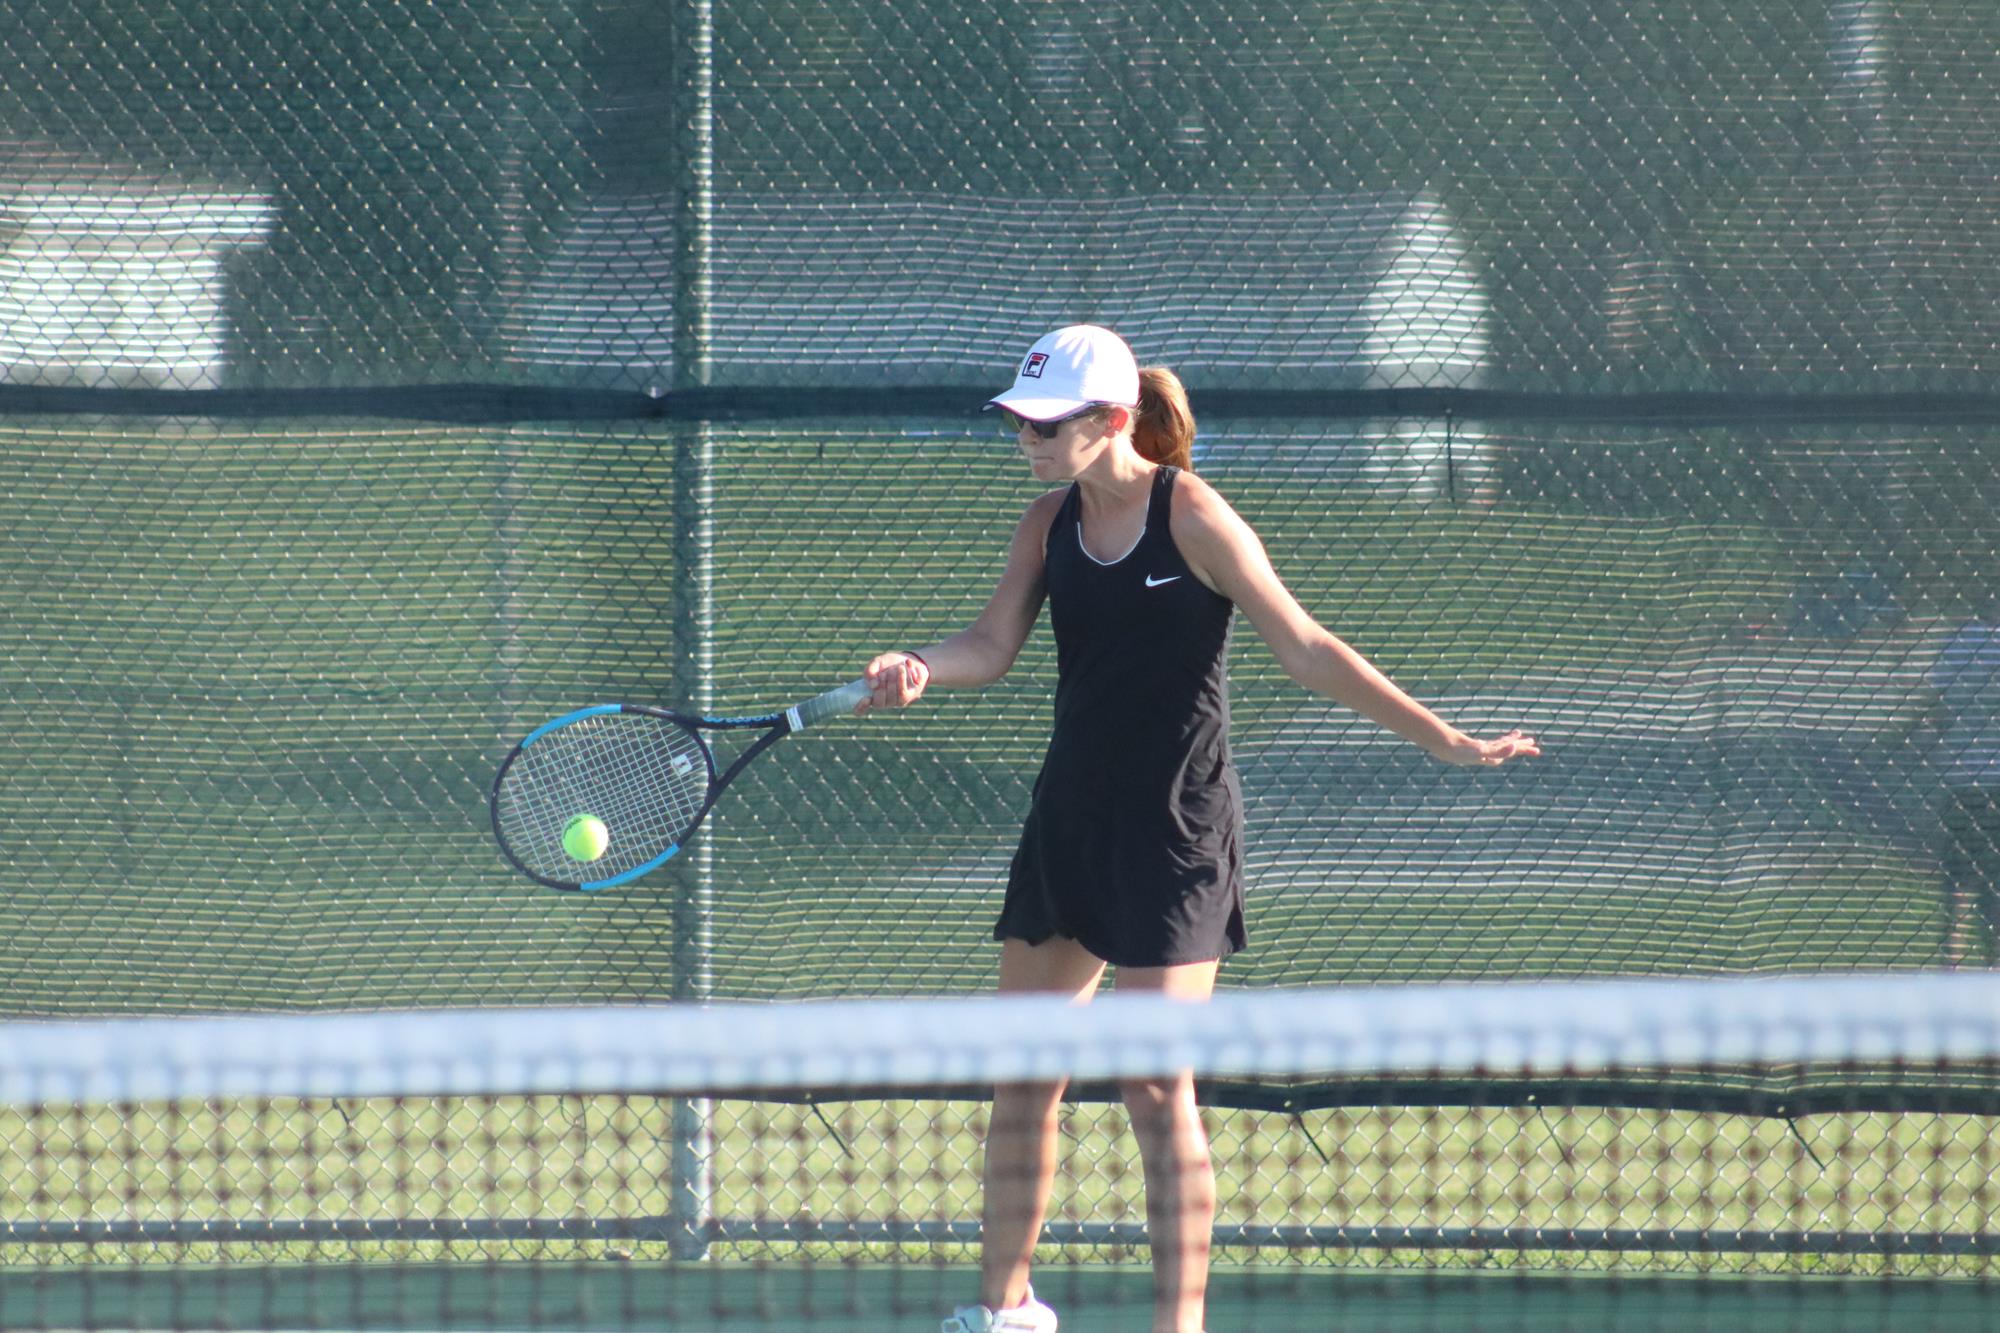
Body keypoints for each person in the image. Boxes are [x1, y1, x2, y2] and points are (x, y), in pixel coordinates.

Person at [856, 325, 1540, 1333]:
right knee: (1021, 1077)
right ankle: (1002, 1311)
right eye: (1020, 420)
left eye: (1046, 423)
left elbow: (1304, 647)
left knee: (1148, 1078)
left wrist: (1441, 738)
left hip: (1177, 832)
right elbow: (989, 644)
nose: (1027, 438)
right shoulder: (1043, 521)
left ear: (1109, 421)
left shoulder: (1196, 517)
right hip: (1071, 820)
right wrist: (917, 663)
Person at [1932, 597, 2000, 966]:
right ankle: (1995, 964)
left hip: (1961, 778)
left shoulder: (1959, 643)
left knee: (1957, 881)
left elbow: (1937, 707)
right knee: (1995, 882)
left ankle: (1951, 962)